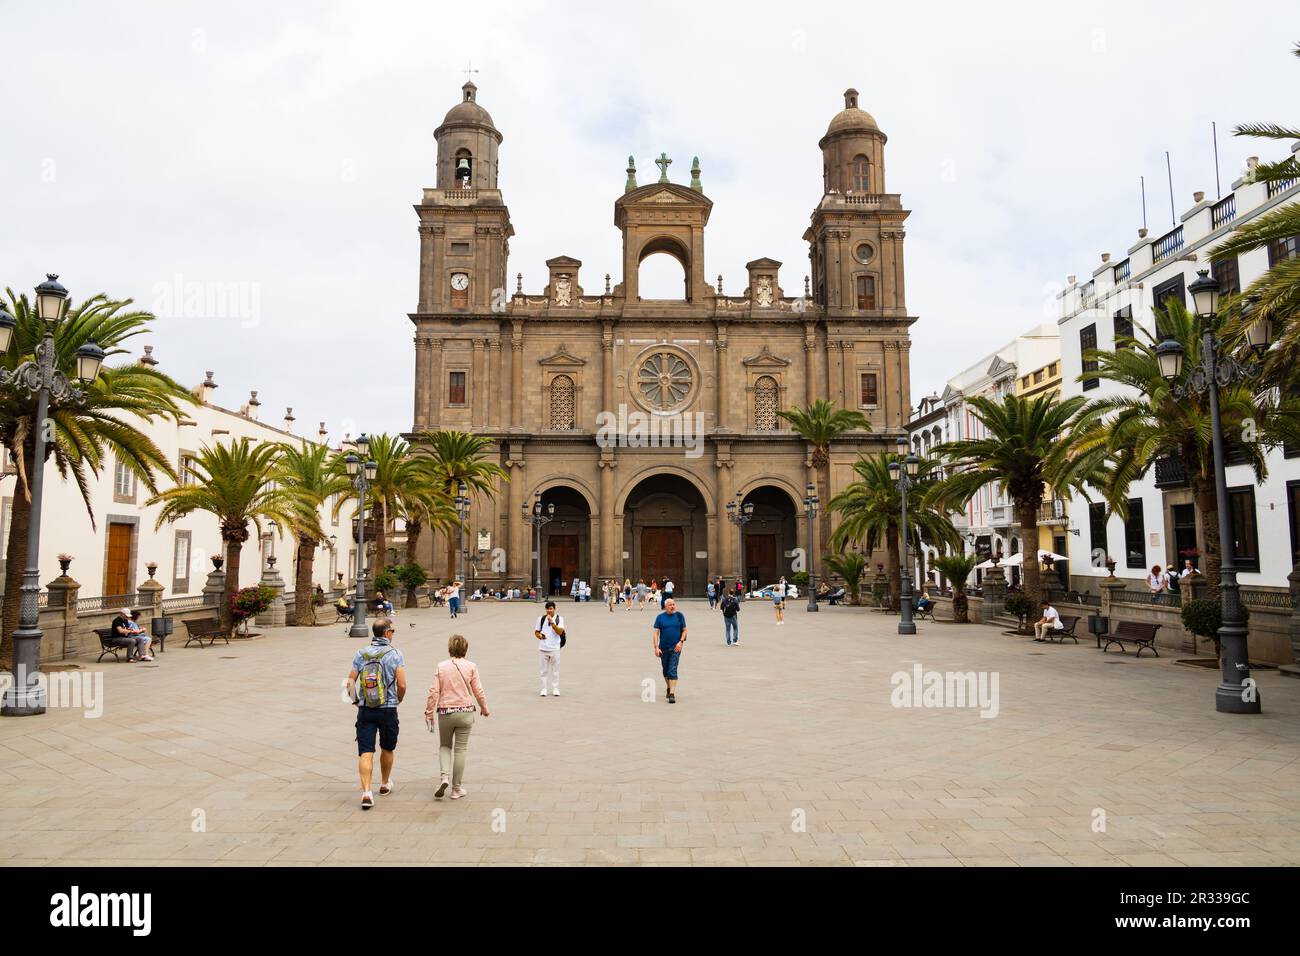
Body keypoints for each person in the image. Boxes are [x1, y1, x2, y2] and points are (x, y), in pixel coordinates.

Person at [346, 618, 406, 809]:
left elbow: (349, 683)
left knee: (366, 751)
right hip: (388, 708)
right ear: (387, 632)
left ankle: (366, 792)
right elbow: (402, 684)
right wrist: (398, 699)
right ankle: (384, 783)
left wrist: (356, 700)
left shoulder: (361, 653)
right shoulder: (395, 654)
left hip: (366, 709)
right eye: (393, 631)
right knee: (387, 748)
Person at [424, 633, 490, 801]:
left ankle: (444, 777)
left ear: (449, 648)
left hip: (445, 712)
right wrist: (484, 707)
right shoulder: (471, 666)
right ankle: (456, 789)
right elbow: (478, 690)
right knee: (461, 750)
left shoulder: (441, 666)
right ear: (465, 649)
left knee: (445, 746)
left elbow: (434, 691)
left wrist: (429, 711)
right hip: (465, 712)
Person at [652, 597, 687, 703]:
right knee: (665, 670)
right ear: (665, 606)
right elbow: (656, 632)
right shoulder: (660, 617)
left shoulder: (680, 616)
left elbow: (684, 630)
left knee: (672, 669)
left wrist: (680, 642)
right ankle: (668, 687)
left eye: (674, 604)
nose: (673, 606)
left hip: (676, 647)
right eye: (670, 605)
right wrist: (656, 647)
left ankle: (672, 693)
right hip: (663, 648)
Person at [534, 600, 565, 697]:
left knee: (555, 670)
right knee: (543, 670)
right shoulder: (541, 619)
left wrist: (552, 622)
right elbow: (536, 631)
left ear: (554, 609)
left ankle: (555, 688)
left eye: (551, 609)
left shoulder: (559, 619)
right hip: (543, 648)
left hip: (555, 648)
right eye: (547, 609)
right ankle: (544, 688)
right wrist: (540, 636)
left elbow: (560, 632)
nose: (549, 611)